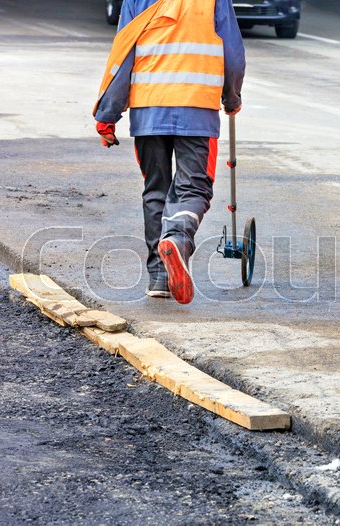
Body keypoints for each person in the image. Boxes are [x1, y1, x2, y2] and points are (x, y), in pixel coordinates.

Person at [93, 0, 245, 305]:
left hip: (148, 111)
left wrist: (107, 114)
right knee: (195, 187)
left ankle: (160, 277)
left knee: (156, 190)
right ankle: (177, 237)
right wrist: (231, 96)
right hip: (197, 110)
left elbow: (123, 56)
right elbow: (232, 54)